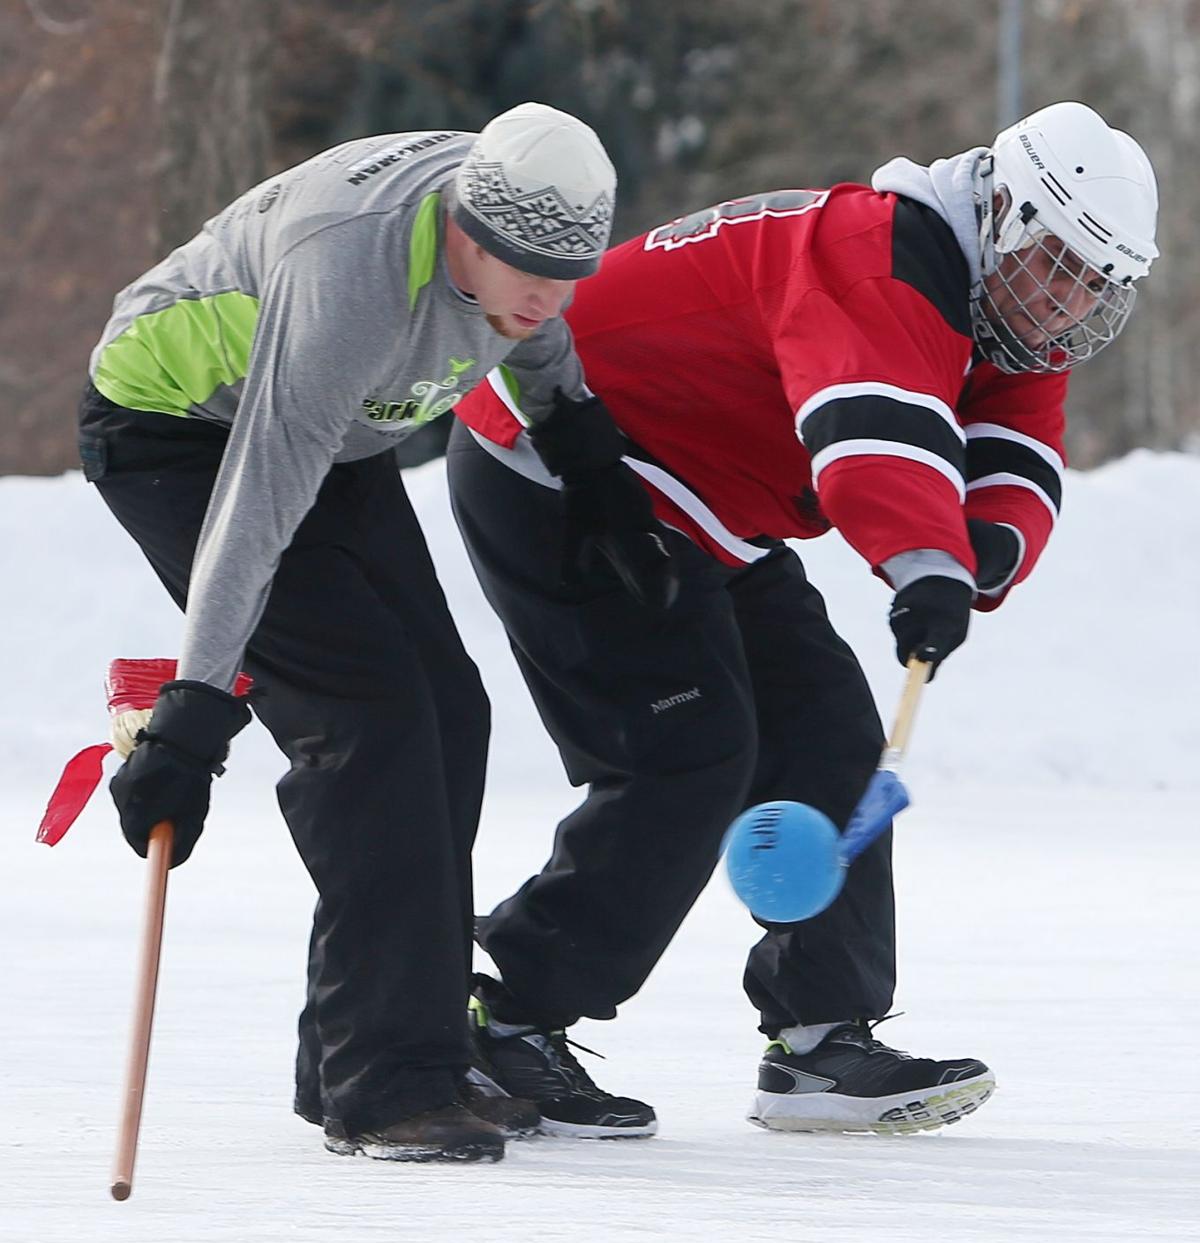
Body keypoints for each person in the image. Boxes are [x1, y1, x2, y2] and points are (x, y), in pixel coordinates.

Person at [447, 102, 1159, 1135]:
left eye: (1095, 282)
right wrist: (926, 564)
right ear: (1003, 210)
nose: (1066, 301)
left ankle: (822, 1040)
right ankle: (502, 1015)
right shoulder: (879, 257)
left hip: (704, 507)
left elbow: (1015, 431)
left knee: (829, 734)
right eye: (1059, 264)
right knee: (689, 752)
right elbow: (869, 425)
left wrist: (985, 548)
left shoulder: (1003, 300)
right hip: (566, 470)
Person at [79, 103, 622, 1164]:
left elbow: (540, 328)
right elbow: (257, 499)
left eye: (571, 272)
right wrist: (192, 713)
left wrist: (582, 441)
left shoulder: (523, 236)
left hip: (336, 436)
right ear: (466, 227)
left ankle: (376, 1042)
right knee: (367, 718)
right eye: (528, 270)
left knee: (449, 708)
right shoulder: (350, 281)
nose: (548, 296)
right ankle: (383, 1081)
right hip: (184, 431)